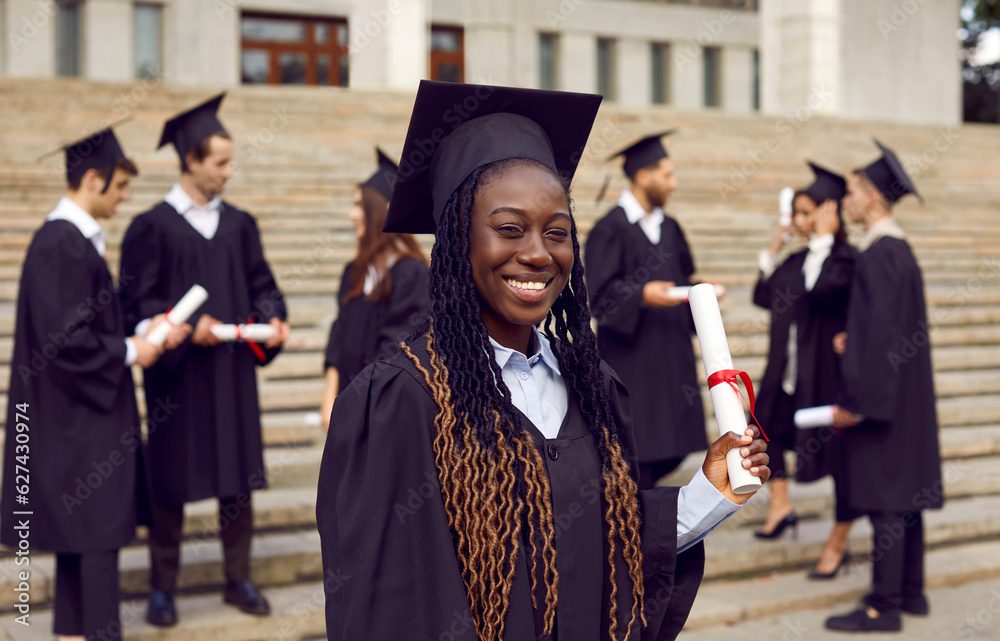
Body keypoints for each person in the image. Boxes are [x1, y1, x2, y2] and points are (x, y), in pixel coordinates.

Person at [317, 80, 770, 641]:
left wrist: (707, 493)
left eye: (556, 232)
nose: (536, 252)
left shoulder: (591, 386)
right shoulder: (398, 401)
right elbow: (387, 608)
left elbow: (608, 541)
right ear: (458, 238)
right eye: (509, 229)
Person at [0, 128, 189, 641]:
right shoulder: (61, 244)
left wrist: (136, 334)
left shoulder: (66, 241)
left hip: (76, 424)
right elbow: (66, 343)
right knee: (97, 542)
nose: (126, 196)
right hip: (79, 430)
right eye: (120, 185)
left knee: (78, 545)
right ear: (92, 179)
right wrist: (133, 350)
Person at [118, 94, 291, 625]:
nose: (228, 170)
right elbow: (136, 302)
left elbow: (263, 286)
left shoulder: (240, 225)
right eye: (220, 162)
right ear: (191, 161)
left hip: (232, 372)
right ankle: (162, 587)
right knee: (170, 481)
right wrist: (184, 327)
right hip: (179, 379)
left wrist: (273, 319)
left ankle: (238, 578)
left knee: (236, 474)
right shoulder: (152, 227)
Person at [824, 141, 942, 633]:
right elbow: (887, 329)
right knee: (906, 496)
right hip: (904, 396)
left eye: (852, 190)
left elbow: (885, 336)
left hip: (880, 402)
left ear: (872, 197)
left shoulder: (880, 253)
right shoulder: (898, 250)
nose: (846, 199)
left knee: (886, 499)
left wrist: (855, 401)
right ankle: (911, 592)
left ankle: (883, 605)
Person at [752, 163, 862, 578]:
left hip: (828, 380)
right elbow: (764, 295)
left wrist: (825, 240)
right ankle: (780, 505)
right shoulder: (797, 258)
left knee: (842, 460)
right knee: (764, 431)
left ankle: (838, 541)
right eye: (795, 212)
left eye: (805, 212)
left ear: (827, 212)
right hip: (787, 374)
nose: (798, 220)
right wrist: (774, 248)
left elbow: (827, 290)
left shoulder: (847, 259)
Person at [584, 132, 709, 490]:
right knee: (639, 453)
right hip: (632, 364)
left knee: (673, 446)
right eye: (666, 175)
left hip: (671, 360)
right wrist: (642, 295)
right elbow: (599, 296)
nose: (674, 184)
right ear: (642, 176)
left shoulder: (670, 228)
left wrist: (702, 292)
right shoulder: (611, 228)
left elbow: (683, 277)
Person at [319, 148, 428, 430]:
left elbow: (395, 349)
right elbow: (339, 334)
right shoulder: (352, 274)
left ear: (384, 210)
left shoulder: (411, 273)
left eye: (359, 205)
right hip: (349, 404)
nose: (352, 214)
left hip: (386, 410)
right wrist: (330, 398)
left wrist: (353, 405)